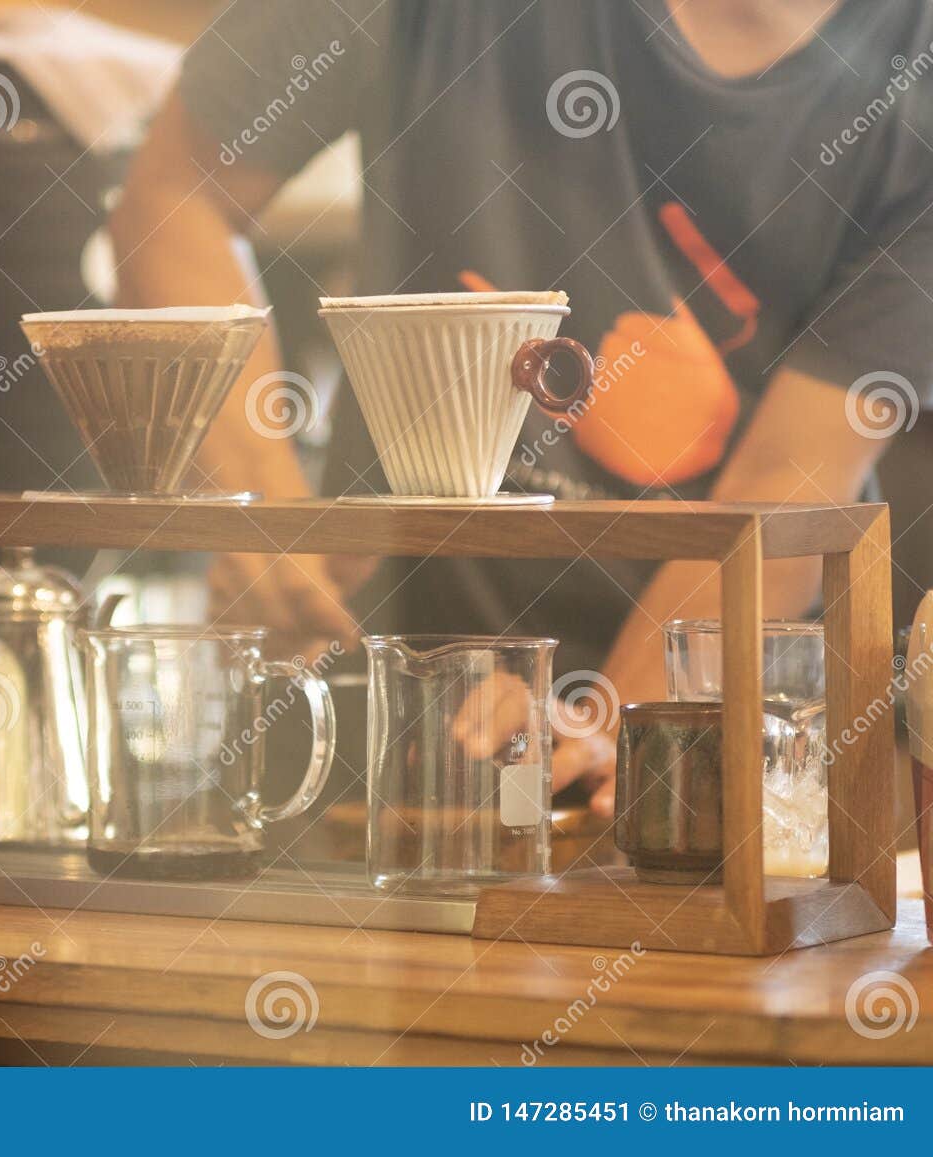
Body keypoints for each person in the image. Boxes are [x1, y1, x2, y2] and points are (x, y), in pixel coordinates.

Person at [109, 0, 933, 811]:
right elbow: (173, 195)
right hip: (362, 714)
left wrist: (602, 730)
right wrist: (267, 513)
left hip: (686, 746)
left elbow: (789, 480)